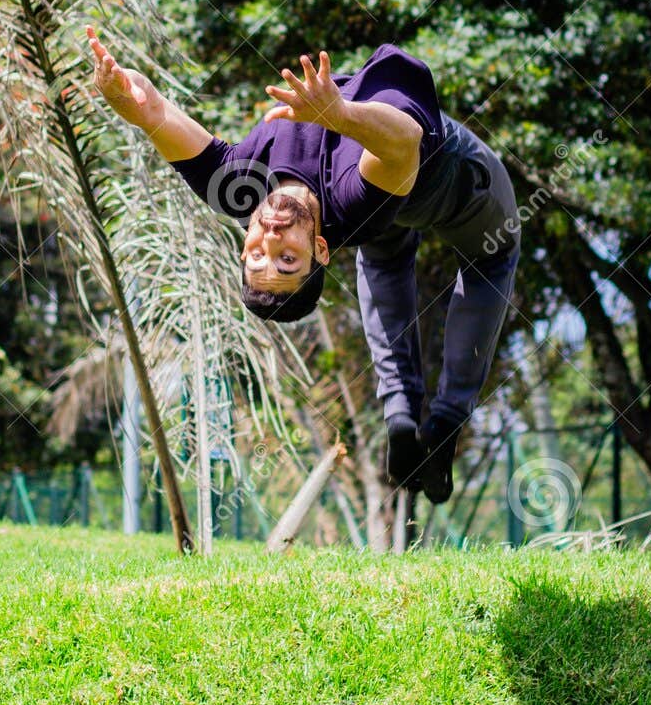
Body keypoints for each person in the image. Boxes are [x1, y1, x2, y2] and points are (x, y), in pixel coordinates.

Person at [86, 26, 519, 504]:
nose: (269, 239)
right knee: (490, 259)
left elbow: (159, 117)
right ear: (320, 248)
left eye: (257, 254)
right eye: (287, 258)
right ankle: (447, 416)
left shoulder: (238, 189)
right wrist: (340, 114)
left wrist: (135, 107)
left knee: (382, 252)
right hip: (457, 186)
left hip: (384, 197)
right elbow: (405, 140)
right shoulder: (350, 199)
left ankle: (399, 411)